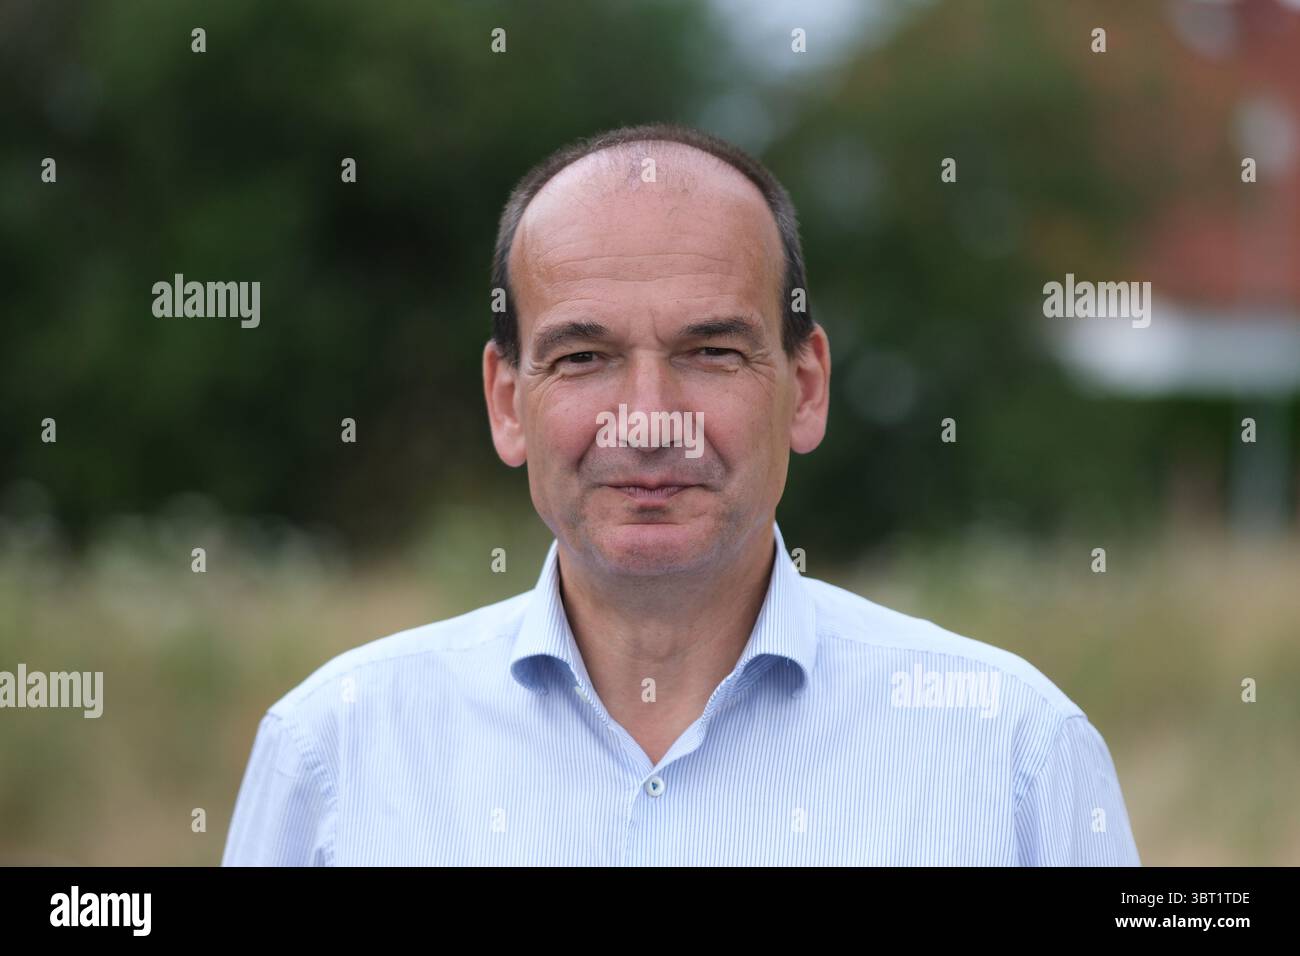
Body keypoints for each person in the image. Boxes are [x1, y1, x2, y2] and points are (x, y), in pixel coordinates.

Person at [222, 123, 1140, 865]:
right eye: (585, 357)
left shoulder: (1015, 752)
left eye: (710, 352)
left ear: (806, 386)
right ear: (508, 403)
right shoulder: (333, 751)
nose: (650, 420)